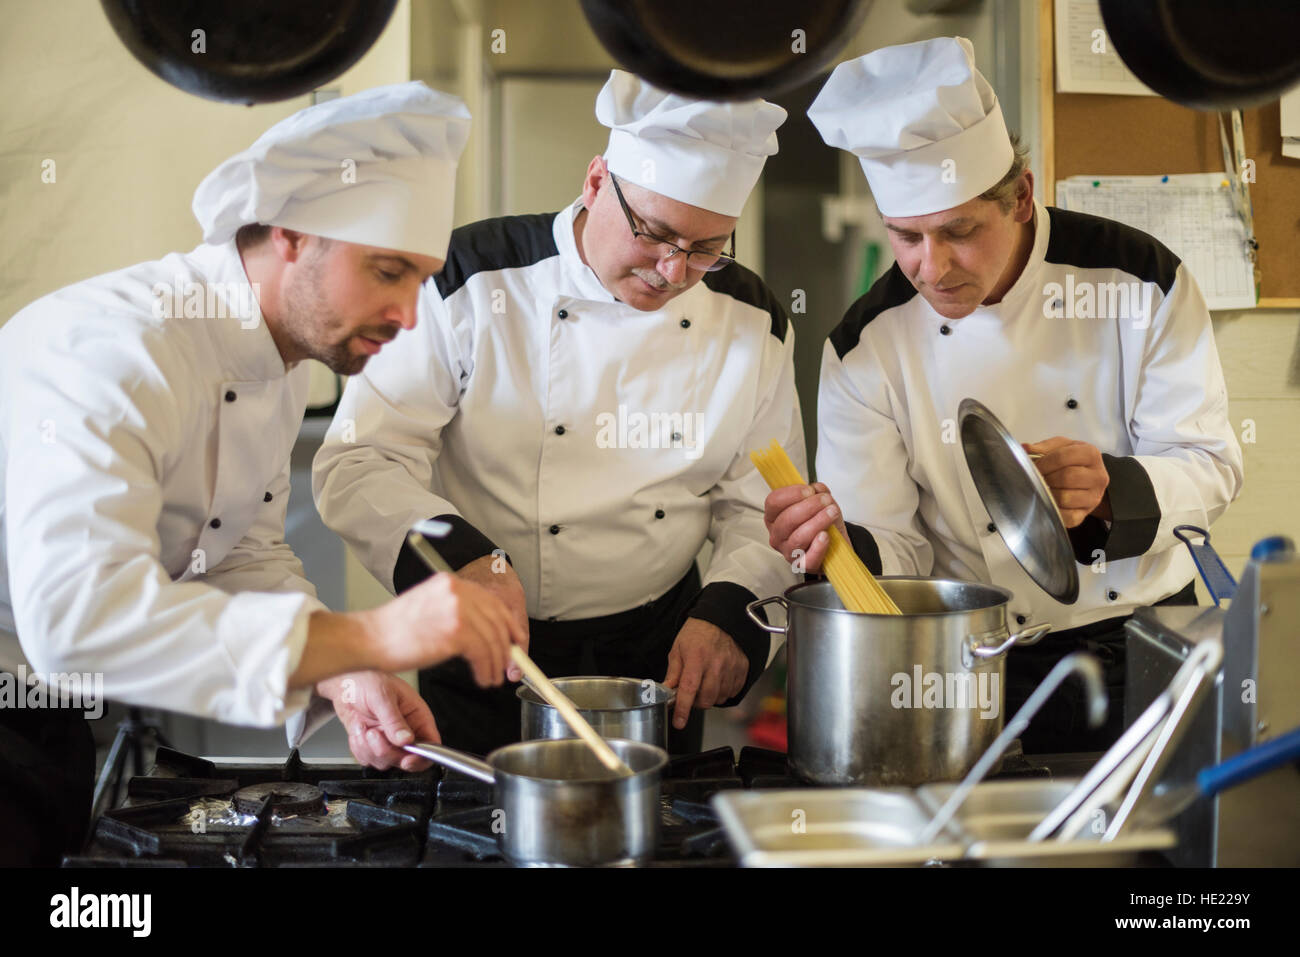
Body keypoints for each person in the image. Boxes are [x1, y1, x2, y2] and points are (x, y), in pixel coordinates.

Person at [0, 83, 526, 866]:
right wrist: (376, 632)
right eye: (387, 271)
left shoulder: (278, 365)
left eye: (421, 278)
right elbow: (78, 618)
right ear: (289, 232)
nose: (411, 314)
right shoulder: (117, 350)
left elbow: (237, 553)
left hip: (45, 726)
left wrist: (347, 671)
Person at [764, 37, 1243, 752]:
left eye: (960, 231)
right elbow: (895, 548)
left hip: (1148, 648)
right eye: (907, 236)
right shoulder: (866, 347)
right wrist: (836, 544)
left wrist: (1115, 487)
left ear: (1020, 196)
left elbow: (1212, 464)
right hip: (979, 666)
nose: (934, 266)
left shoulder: (1138, 279)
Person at [313, 70, 804, 755]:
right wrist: (461, 556)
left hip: (656, 657)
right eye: (655, 234)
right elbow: (362, 461)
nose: (672, 271)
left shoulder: (752, 322)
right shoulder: (465, 282)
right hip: (484, 644)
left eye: (705, 250)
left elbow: (763, 506)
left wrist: (730, 610)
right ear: (597, 181)